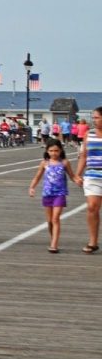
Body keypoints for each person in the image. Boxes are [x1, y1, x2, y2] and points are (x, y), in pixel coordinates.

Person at [28, 139, 78, 253]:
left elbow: (72, 175)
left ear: (60, 150)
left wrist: (78, 180)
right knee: (50, 221)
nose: (54, 153)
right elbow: (37, 177)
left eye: (56, 150)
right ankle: (53, 238)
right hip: (47, 194)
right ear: (47, 151)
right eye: (51, 151)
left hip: (60, 194)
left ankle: (54, 244)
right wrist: (32, 187)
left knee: (56, 218)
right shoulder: (44, 163)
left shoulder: (64, 162)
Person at [81, 107, 102, 255]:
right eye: (93, 118)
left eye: (96, 118)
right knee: (92, 207)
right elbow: (84, 155)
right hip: (93, 175)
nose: (93, 120)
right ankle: (93, 242)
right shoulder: (89, 134)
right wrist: (77, 173)